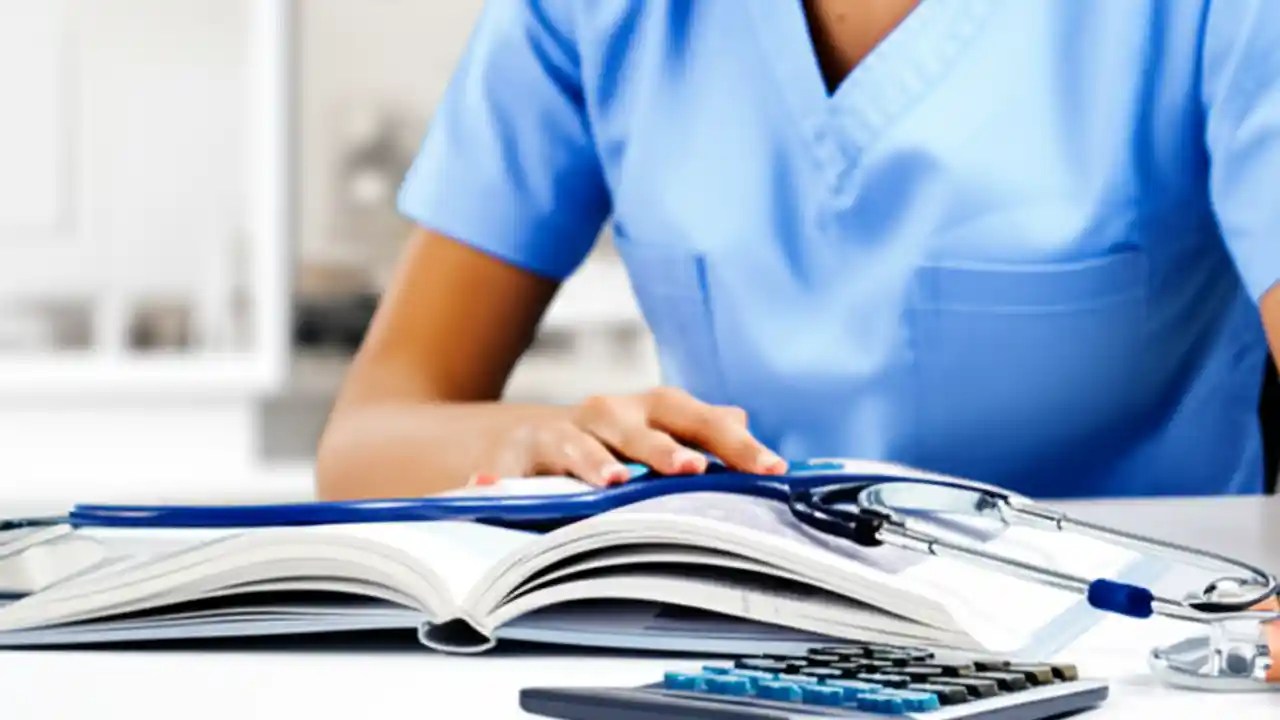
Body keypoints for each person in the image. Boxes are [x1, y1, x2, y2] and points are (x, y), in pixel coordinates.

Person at [316, 0, 1280, 500]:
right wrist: (520, 444)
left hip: (1128, 655)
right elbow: (364, 443)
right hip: (730, 649)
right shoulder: (594, 16)